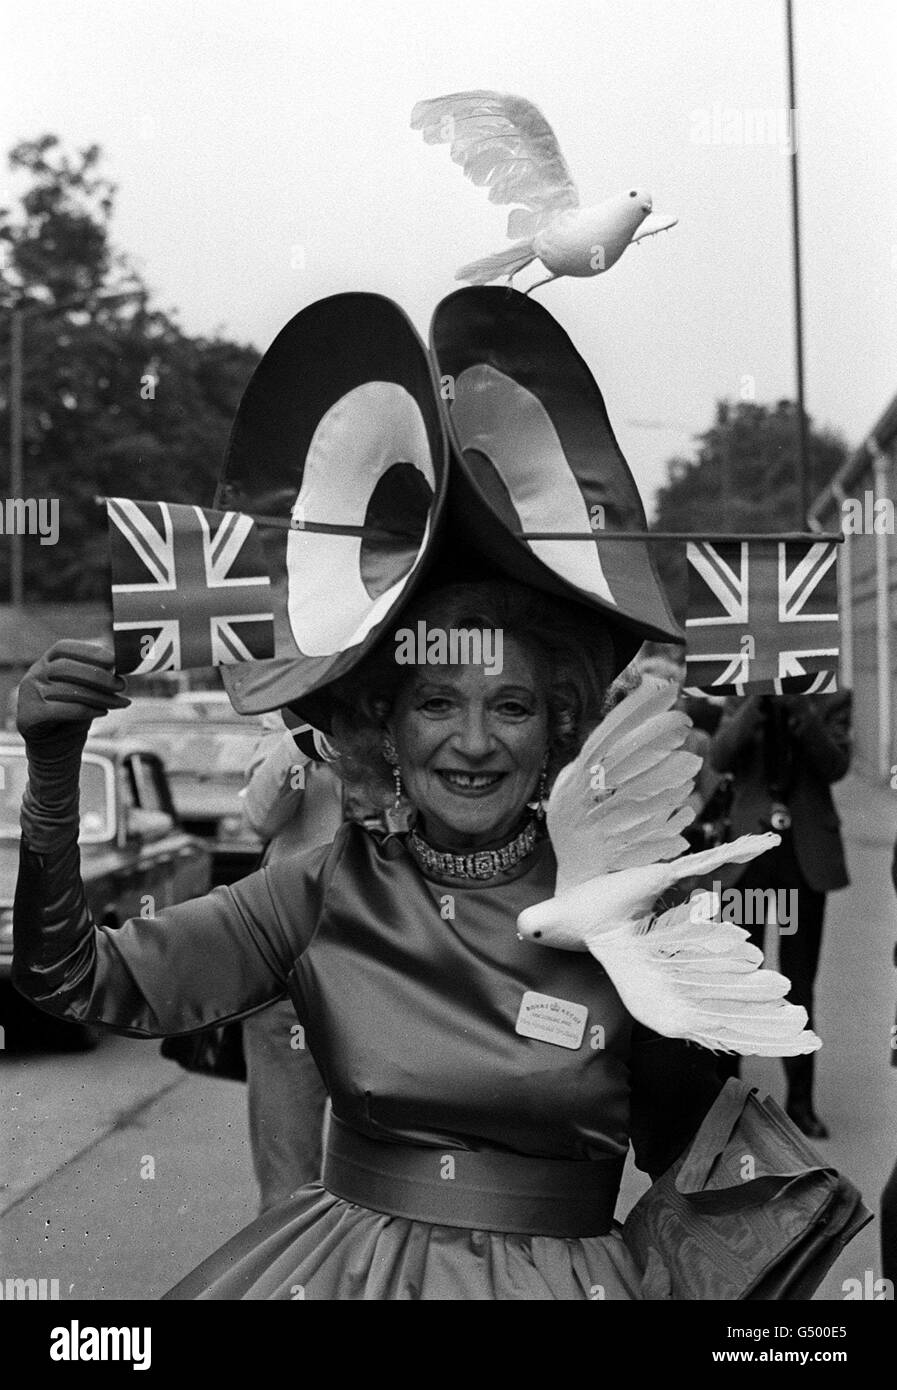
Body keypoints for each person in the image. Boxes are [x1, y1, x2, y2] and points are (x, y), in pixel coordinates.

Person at [13, 582, 729, 1301]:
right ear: (385, 728)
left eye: (511, 706)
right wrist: (50, 770)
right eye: (436, 702)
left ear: (557, 730)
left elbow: (704, 1172)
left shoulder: (623, 910)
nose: (474, 742)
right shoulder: (318, 890)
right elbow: (72, 978)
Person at [706, 690, 852, 1138]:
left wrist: (803, 711)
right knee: (741, 979)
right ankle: (731, 1101)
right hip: (750, 861)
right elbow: (721, 756)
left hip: (801, 862)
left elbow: (836, 766)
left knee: (798, 982)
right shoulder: (740, 694)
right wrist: (755, 706)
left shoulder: (830, 698)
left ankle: (801, 1103)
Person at [239, 713, 344, 1211]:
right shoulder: (289, 714)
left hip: (398, 968)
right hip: (294, 969)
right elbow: (259, 816)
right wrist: (302, 738)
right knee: (287, 1190)